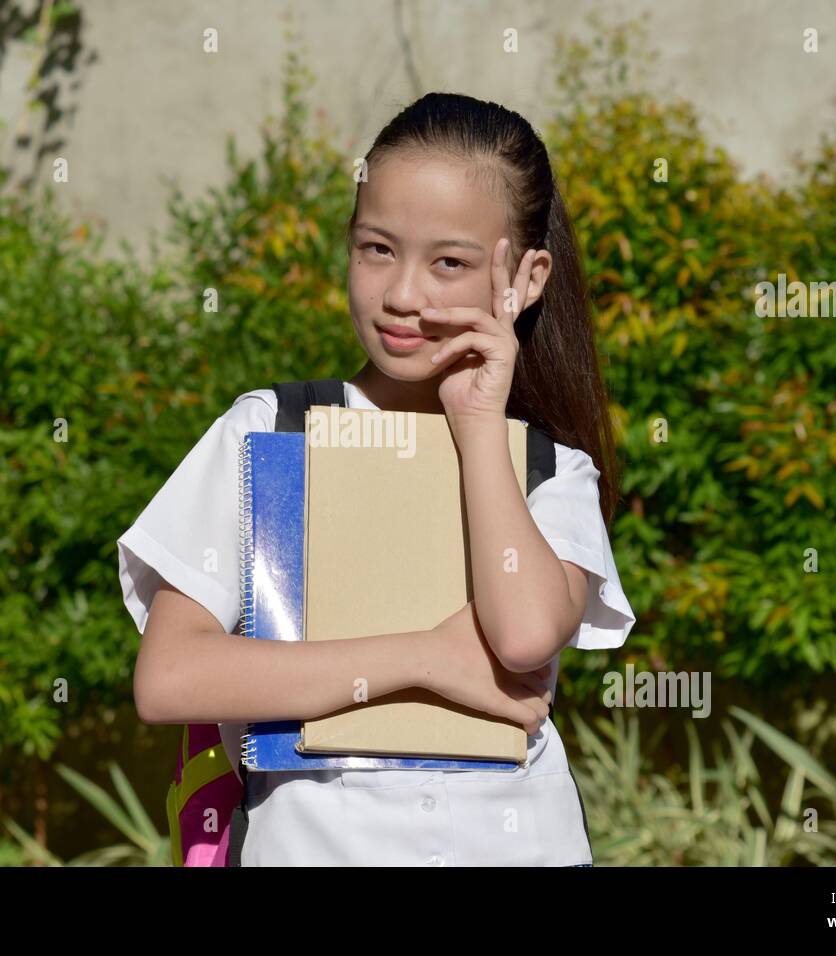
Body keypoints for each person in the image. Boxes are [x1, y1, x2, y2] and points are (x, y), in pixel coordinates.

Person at [118, 92, 636, 866]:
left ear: (525, 278)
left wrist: (477, 424)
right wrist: (424, 657)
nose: (402, 294)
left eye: (450, 262)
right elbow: (171, 677)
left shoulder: (545, 465)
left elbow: (524, 634)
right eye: (376, 249)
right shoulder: (270, 432)